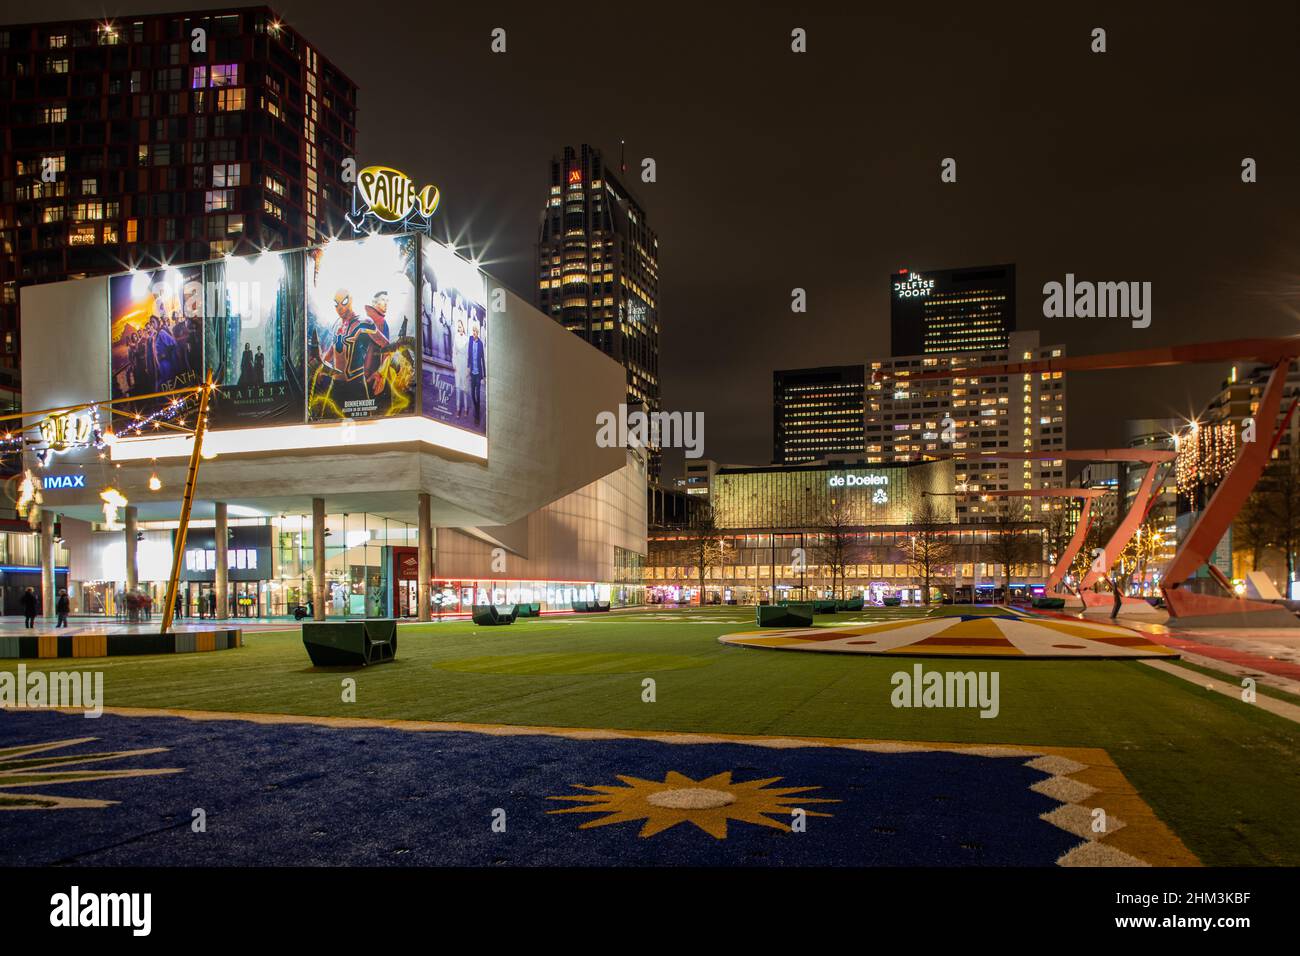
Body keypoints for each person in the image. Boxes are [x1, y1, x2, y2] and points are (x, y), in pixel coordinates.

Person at [467, 319, 486, 426]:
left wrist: (484, 375)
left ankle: (477, 415)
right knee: (472, 395)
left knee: (478, 395)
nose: (473, 333)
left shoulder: (480, 344)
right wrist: (467, 366)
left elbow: (483, 359)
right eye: (472, 331)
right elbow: (468, 354)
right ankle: (476, 407)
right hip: (472, 373)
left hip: (478, 374)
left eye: (475, 332)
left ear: (477, 333)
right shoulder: (470, 340)